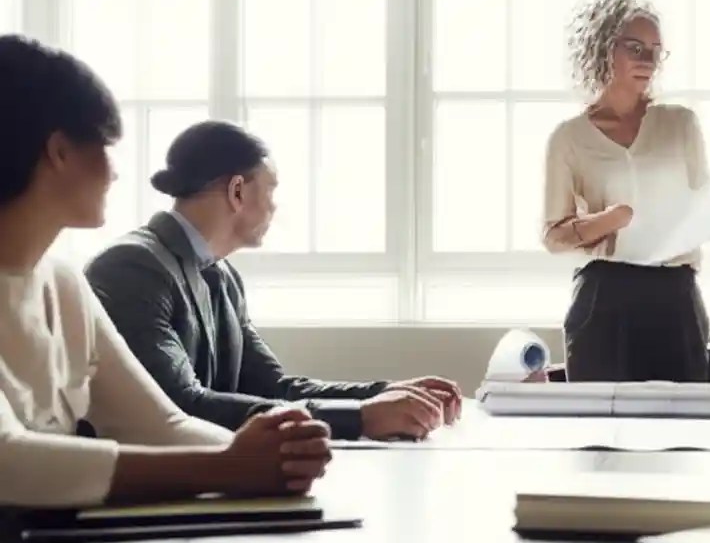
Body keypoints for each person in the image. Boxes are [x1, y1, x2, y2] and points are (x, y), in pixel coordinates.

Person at [0, 34, 330, 507]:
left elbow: (161, 424)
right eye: (105, 146)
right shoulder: (130, 266)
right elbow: (8, 463)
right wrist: (229, 466)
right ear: (59, 151)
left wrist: (275, 459)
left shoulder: (64, 285)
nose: (114, 172)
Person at [85, 120, 462, 442]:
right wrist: (359, 417)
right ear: (237, 191)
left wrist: (382, 395)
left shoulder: (222, 275)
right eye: (271, 188)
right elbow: (178, 407)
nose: (275, 205)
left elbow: (273, 389)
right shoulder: (133, 268)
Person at [541, 0, 710, 382]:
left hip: (675, 296)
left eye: (656, 50)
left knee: (682, 431)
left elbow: (705, 213)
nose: (648, 61)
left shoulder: (680, 124)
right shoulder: (568, 138)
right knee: (598, 434)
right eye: (635, 48)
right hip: (602, 296)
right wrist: (611, 219)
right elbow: (553, 236)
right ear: (601, 48)